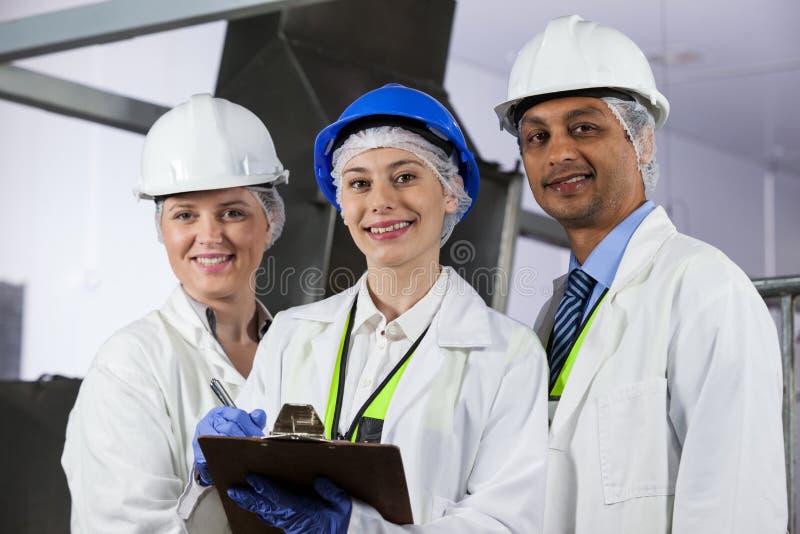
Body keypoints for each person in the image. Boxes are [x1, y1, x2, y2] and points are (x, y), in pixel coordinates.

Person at [178, 83, 549, 533]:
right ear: (342, 202)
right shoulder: (292, 335)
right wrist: (215, 465)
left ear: (450, 191)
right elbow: (243, 506)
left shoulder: (508, 355)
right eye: (359, 183)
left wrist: (354, 529)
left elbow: (506, 524)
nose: (381, 201)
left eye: (405, 176)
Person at [494, 14, 787, 533]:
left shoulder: (706, 291)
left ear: (642, 141)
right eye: (536, 136)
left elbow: (736, 507)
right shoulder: (556, 314)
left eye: (583, 127)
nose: (558, 152)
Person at [61, 94, 289, 533]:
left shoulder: (303, 349)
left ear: (269, 221)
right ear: (162, 231)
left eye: (233, 212)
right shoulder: (129, 364)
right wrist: (201, 485)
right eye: (185, 215)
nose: (210, 236)